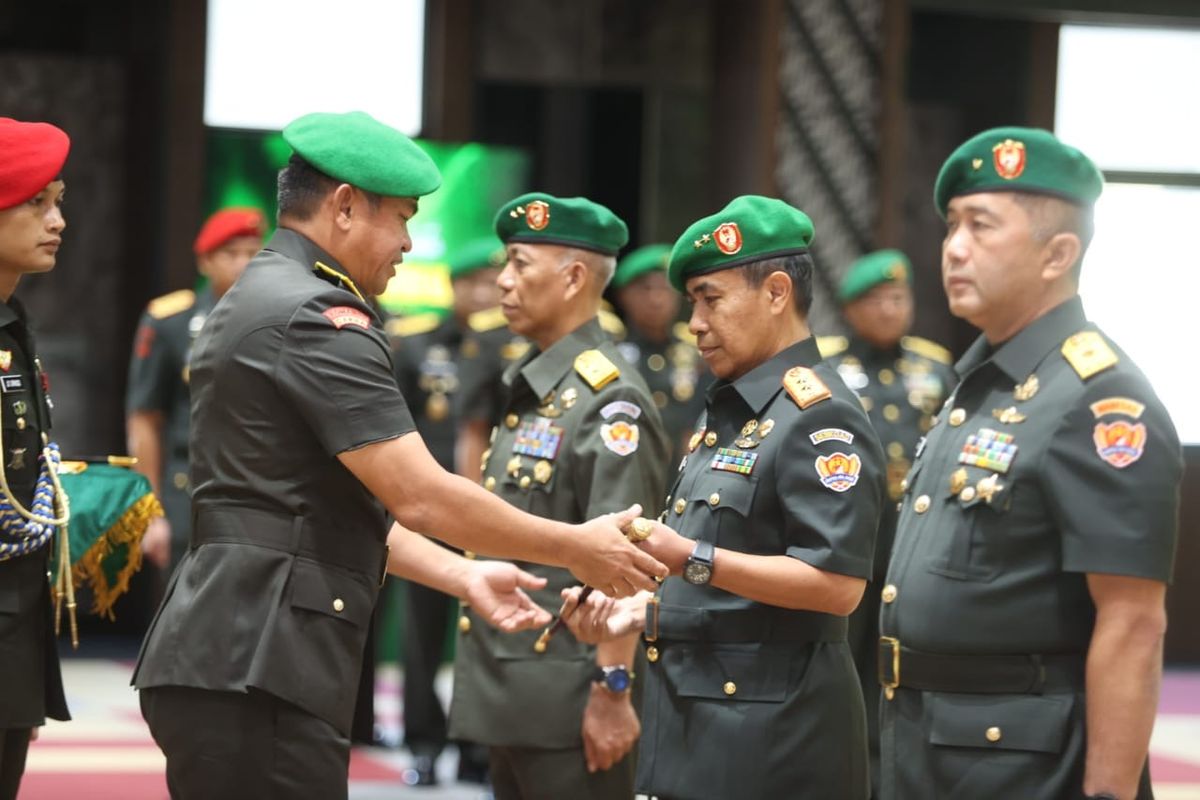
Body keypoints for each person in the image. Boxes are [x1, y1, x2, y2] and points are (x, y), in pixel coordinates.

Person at [131, 112, 666, 800]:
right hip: (259, 659)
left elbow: (319, 512)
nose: (410, 244)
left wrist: (462, 576)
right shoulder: (319, 319)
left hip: (235, 647)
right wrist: (576, 547)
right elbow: (420, 496)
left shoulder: (264, 292)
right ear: (346, 207)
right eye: (403, 219)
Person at [877, 127, 1182, 800]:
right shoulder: (986, 383)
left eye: (981, 227)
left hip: (1021, 764)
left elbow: (1132, 623)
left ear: (1057, 255)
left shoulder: (1100, 399)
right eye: (952, 225)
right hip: (928, 740)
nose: (954, 248)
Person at [562, 195, 886, 798]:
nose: (696, 323)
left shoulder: (818, 416)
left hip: (773, 737)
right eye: (693, 303)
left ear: (776, 293)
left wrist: (689, 557)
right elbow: (733, 598)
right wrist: (640, 612)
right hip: (704, 718)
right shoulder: (733, 412)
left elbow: (836, 587)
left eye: (711, 298)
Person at [448, 192, 670, 800]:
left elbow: (628, 567)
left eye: (520, 264)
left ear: (574, 278)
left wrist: (613, 690)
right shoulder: (541, 386)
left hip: (570, 698)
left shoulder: (607, 401)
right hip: (518, 688)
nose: (503, 281)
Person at [818, 248, 957, 796]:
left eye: (899, 298)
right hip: (849, 526)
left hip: (912, 529)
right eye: (876, 299)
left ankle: (896, 763)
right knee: (844, 644)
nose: (890, 308)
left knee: (902, 644)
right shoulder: (826, 368)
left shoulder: (933, 366)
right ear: (851, 310)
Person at [387, 237, 504, 785]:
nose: (485, 293)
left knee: (487, 630)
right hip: (429, 511)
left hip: (496, 512)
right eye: (473, 282)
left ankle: (478, 746)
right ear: (454, 286)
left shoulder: (514, 346)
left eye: (492, 281)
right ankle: (424, 744)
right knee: (424, 632)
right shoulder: (415, 342)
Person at [127, 207, 265, 574]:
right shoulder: (171, 320)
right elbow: (145, 417)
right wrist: (150, 510)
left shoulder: (274, 320)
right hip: (187, 492)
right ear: (205, 260)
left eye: (253, 254)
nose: (243, 264)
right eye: (231, 254)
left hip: (257, 496)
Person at [0, 116, 71, 800]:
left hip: (16, 618)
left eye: (59, 201)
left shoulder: (13, 323)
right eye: (37, 203)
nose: (58, 220)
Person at [611, 243, 708, 461]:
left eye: (664, 289)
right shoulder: (612, 355)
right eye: (645, 289)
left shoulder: (697, 353)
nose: (656, 299)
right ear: (624, 295)